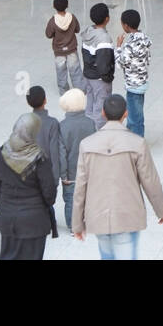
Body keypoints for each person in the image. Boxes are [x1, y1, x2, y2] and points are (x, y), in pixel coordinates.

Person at [71, 93, 163, 260]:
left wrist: (77, 224)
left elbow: (80, 186)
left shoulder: (87, 144)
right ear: (126, 113)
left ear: (103, 113)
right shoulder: (137, 143)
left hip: (98, 215)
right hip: (127, 215)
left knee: (107, 256)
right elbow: (150, 181)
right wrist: (160, 211)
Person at [0, 113, 57, 260]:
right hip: (34, 221)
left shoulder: (1, 153)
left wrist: (6, 203)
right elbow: (49, 193)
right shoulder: (40, 158)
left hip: (7, 218)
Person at [58, 89, 98, 229]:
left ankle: (73, 226)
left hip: (71, 173)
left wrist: (63, 174)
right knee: (87, 198)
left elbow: (61, 153)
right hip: (87, 171)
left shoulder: (62, 126)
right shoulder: (90, 123)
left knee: (70, 200)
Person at [116, 10, 151, 137]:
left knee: (134, 118)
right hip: (142, 82)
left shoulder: (129, 45)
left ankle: (136, 142)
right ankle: (130, 136)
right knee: (136, 113)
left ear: (126, 25)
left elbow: (120, 63)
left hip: (133, 86)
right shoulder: (144, 39)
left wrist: (119, 47)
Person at [80, 3, 115, 126]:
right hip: (100, 79)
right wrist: (107, 77)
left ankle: (88, 128)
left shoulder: (88, 33)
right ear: (107, 19)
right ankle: (98, 133)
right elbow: (103, 62)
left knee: (90, 102)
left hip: (88, 75)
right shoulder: (104, 38)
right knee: (101, 107)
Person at [45, 0, 83, 94]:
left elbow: (48, 34)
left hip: (59, 52)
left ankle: (64, 91)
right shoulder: (72, 17)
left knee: (61, 72)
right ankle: (79, 90)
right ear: (67, 5)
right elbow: (77, 29)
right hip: (72, 49)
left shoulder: (52, 21)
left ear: (54, 6)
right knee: (75, 70)